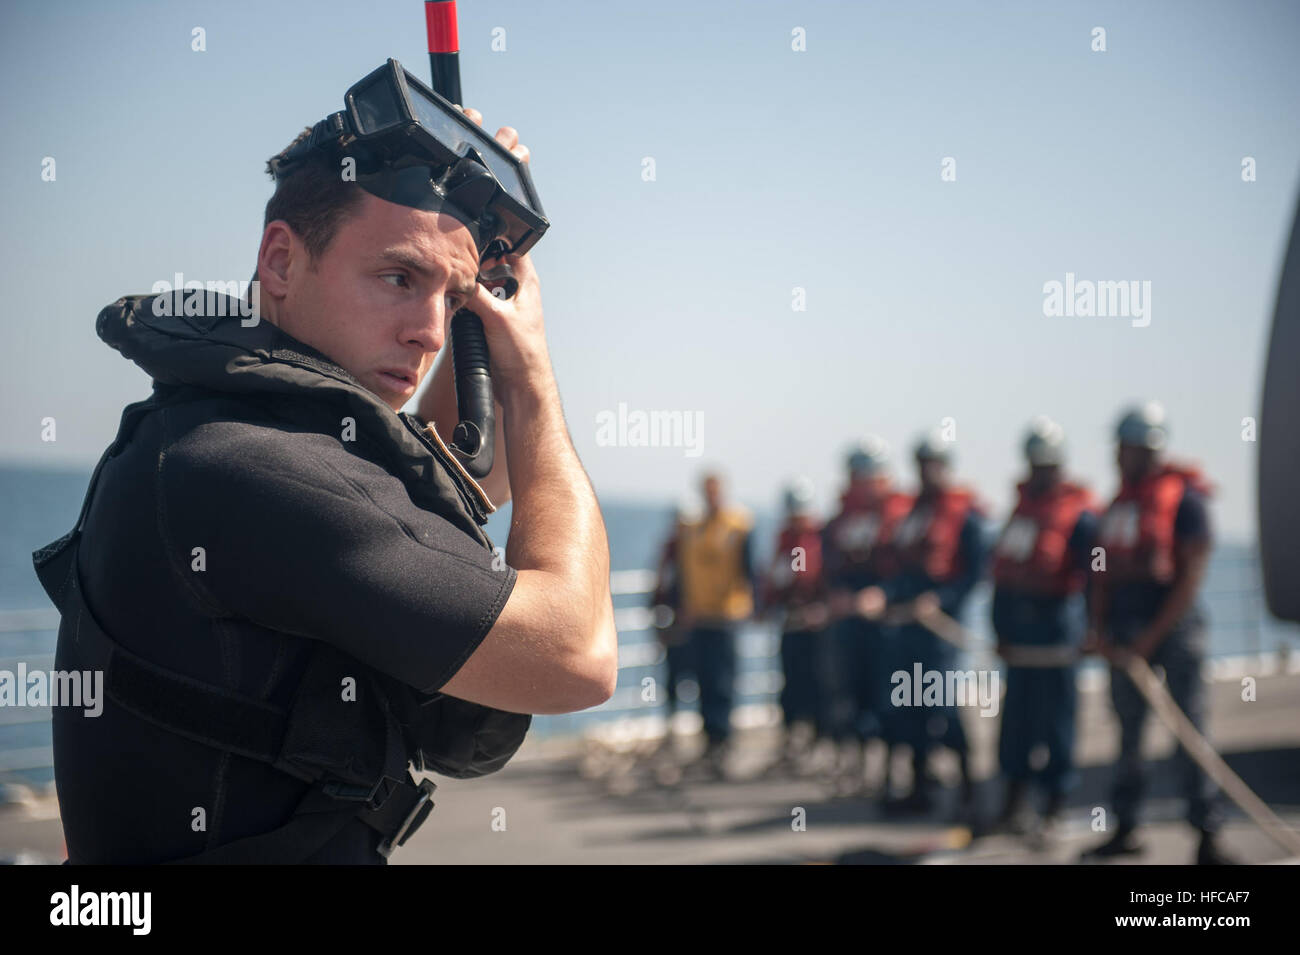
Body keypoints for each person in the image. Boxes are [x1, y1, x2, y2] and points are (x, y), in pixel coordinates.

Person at [32, 89, 617, 864]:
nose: (431, 331)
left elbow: (452, 479)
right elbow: (577, 653)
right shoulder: (250, 467)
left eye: (452, 298)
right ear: (281, 260)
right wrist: (534, 382)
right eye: (399, 278)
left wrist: (487, 292)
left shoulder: (222, 430)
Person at [1082, 403, 1231, 864]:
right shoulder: (1118, 505)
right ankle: (1125, 827)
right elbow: (1100, 572)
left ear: (1146, 448)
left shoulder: (1186, 502)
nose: (1118, 456)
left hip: (1173, 631)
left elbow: (1189, 577)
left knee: (1190, 732)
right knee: (1128, 736)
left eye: (1125, 447)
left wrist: (1152, 636)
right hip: (1125, 637)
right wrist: (1099, 631)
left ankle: (1207, 835)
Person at [989, 417, 1096, 835]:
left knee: (1056, 723)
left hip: (1057, 637)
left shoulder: (1079, 519)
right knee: (1016, 721)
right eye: (1035, 465)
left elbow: (1093, 580)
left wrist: (1091, 630)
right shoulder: (1018, 516)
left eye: (1047, 465)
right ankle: (1012, 802)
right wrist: (1000, 629)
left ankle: (1054, 806)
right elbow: (1002, 577)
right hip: (1020, 640)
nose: (1040, 473)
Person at [882, 432, 988, 816]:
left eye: (933, 464)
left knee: (942, 705)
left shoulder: (967, 517)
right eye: (922, 464)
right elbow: (900, 567)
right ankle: (919, 787)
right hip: (906, 628)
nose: (927, 471)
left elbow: (975, 576)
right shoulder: (913, 516)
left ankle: (969, 785)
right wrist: (887, 596)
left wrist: (939, 602)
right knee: (909, 706)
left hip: (941, 629)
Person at [819, 438, 914, 794]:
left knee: (890, 700)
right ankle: (857, 768)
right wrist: (837, 595)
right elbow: (829, 564)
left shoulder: (900, 515)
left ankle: (895, 774)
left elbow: (911, 569)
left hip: (888, 627)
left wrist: (883, 595)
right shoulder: (839, 521)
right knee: (848, 696)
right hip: (849, 625)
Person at [674, 472, 756, 773]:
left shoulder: (739, 525)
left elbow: (749, 568)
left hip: (727, 616)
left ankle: (725, 744)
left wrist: (754, 604)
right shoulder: (692, 529)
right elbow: (684, 570)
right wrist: (683, 605)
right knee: (703, 681)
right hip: (699, 617)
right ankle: (709, 742)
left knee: (724, 681)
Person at [761, 477, 829, 770]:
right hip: (790, 624)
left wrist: (821, 609)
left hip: (818, 627)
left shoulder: (822, 540)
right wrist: (767, 605)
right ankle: (792, 741)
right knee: (790, 684)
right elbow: (775, 579)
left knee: (818, 684)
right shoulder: (784, 541)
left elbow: (827, 578)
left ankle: (819, 742)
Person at [650, 500, 695, 735]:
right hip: (674, 625)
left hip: (696, 626)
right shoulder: (670, 549)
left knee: (701, 678)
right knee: (673, 678)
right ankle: (672, 729)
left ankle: (708, 735)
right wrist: (657, 613)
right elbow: (662, 584)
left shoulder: (698, 550)